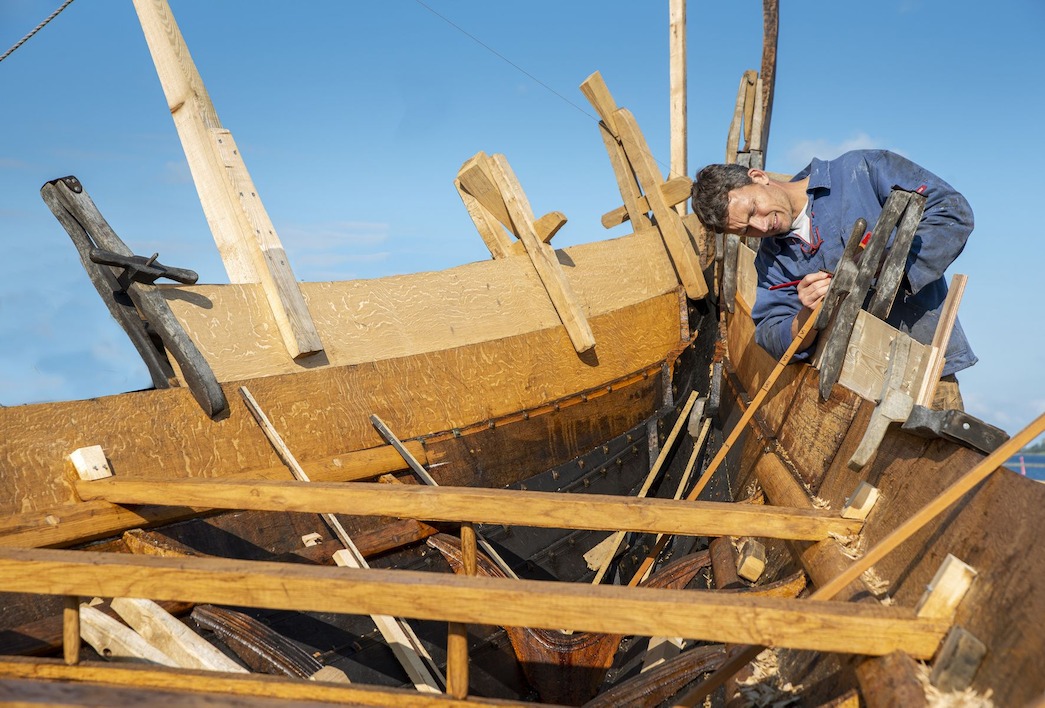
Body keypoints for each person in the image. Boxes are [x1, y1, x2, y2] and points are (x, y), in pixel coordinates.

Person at [690, 149, 975, 409]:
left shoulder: (859, 171)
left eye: (753, 210)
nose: (762, 225)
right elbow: (770, 333)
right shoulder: (770, 261)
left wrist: (882, 265)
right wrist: (808, 315)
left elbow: (950, 211)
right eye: (746, 231)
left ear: (758, 177)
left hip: (925, 371)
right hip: (849, 395)